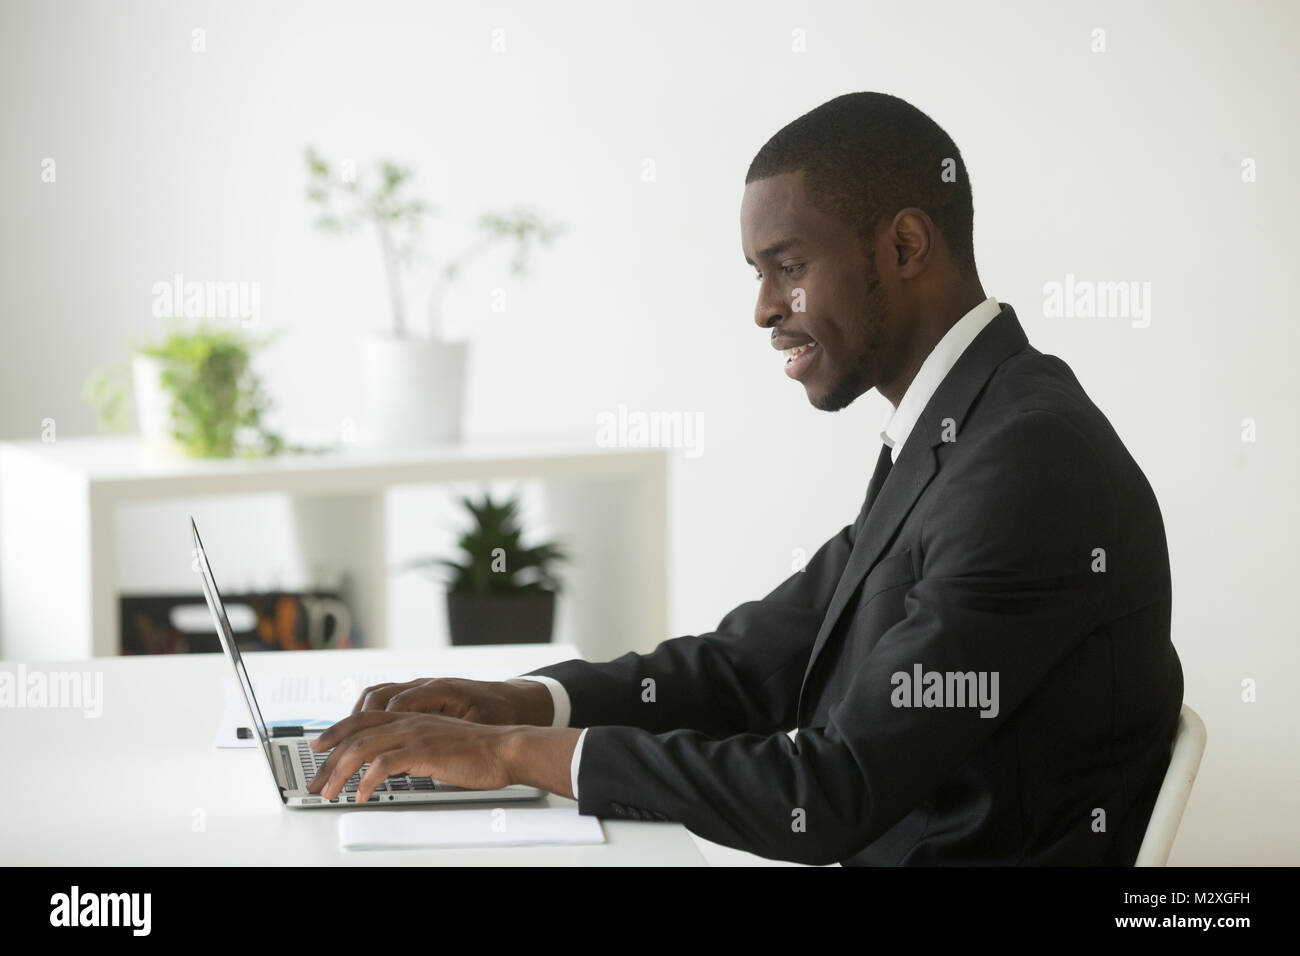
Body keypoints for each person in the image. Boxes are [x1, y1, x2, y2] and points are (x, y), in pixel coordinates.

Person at [307, 92, 1183, 866]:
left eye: (789, 266)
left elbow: (828, 792)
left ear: (907, 244)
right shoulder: (958, 429)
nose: (764, 308)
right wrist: (519, 704)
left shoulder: (1026, 463)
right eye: (758, 273)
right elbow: (747, 668)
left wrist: (508, 760)